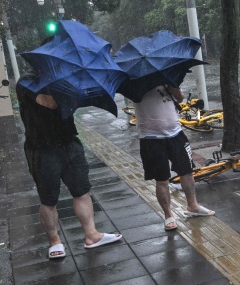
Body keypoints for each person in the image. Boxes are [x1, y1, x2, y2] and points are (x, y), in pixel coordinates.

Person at [16, 70, 122, 259]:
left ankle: (91, 235)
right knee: (49, 199)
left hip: (69, 143)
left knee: (82, 191)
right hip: (41, 149)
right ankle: (54, 241)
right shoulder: (27, 82)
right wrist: (67, 88)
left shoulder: (64, 79)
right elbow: (49, 102)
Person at [133, 84, 214, 231]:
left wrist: (173, 88)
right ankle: (168, 215)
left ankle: (193, 205)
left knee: (187, 171)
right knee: (162, 178)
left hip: (176, 133)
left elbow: (180, 98)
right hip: (151, 138)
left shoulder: (166, 76)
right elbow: (135, 97)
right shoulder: (135, 82)